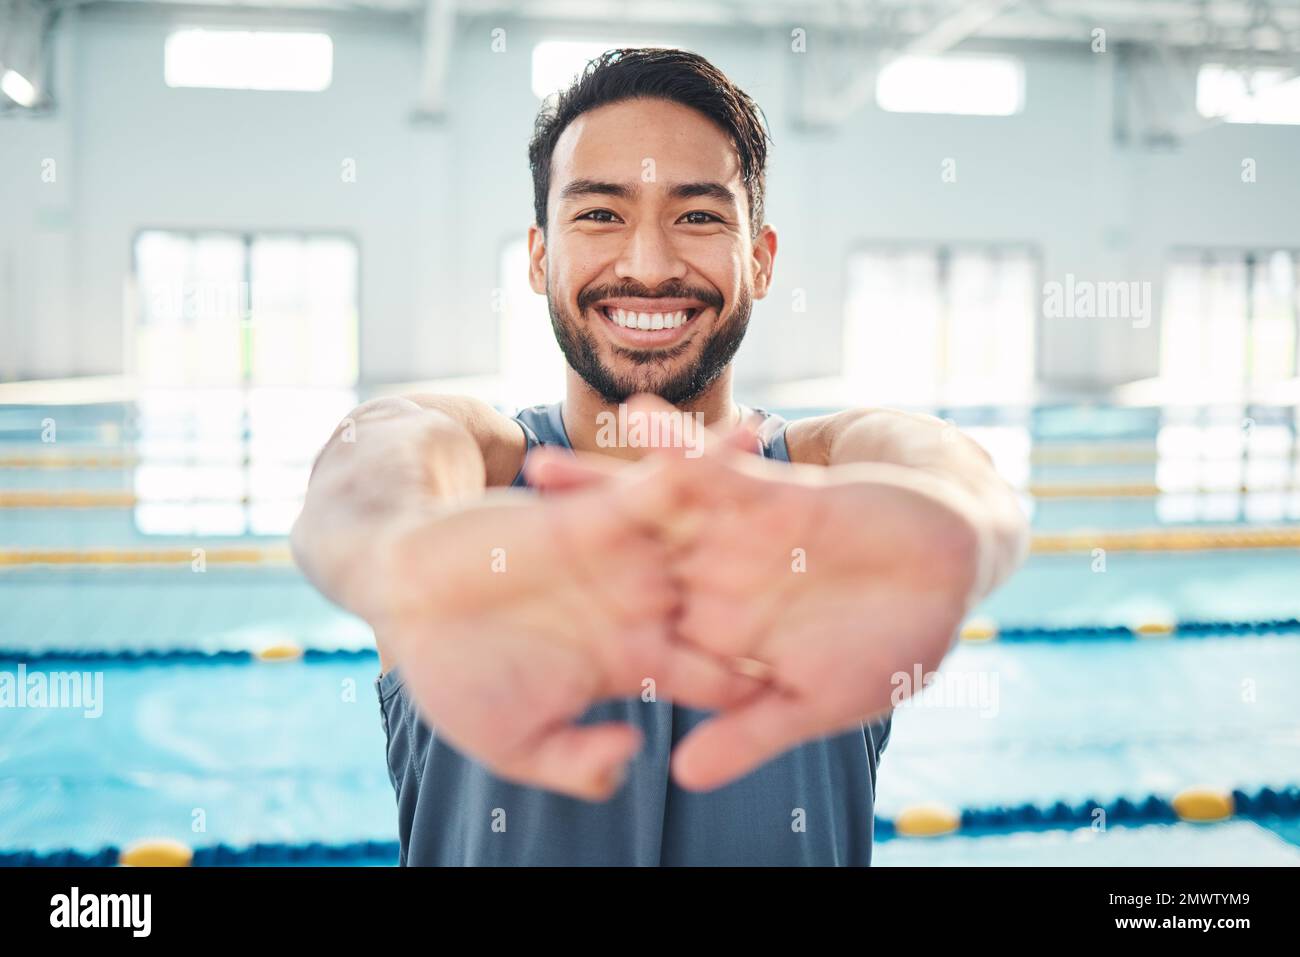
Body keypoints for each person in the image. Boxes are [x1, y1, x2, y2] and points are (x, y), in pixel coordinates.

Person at [290, 48, 1029, 865]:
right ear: (539, 257)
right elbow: (380, 449)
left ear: (761, 258)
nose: (648, 266)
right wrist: (393, 554)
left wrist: (971, 530)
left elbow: (938, 462)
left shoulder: (829, 494)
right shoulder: (479, 485)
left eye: (699, 216)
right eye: (600, 214)